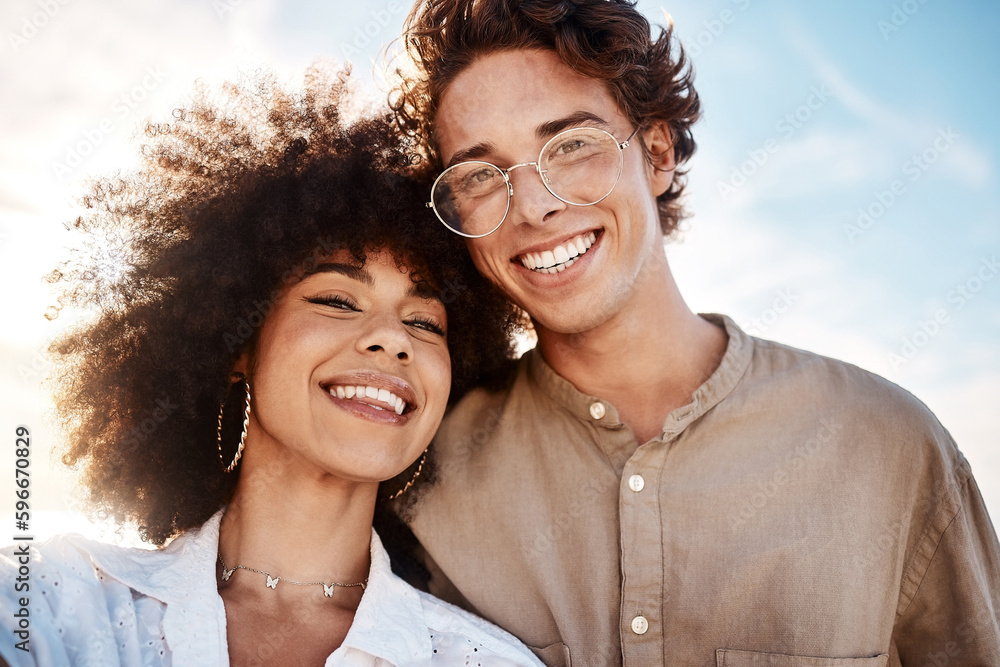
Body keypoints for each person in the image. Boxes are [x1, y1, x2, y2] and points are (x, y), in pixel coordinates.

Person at [388, 1, 1000, 664]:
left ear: (656, 152)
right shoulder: (423, 471)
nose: (535, 206)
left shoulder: (891, 447)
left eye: (570, 146)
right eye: (481, 175)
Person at [0, 64, 544, 667]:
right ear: (238, 344)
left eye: (424, 322)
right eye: (337, 300)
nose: (393, 340)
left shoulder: (482, 660)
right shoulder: (55, 602)